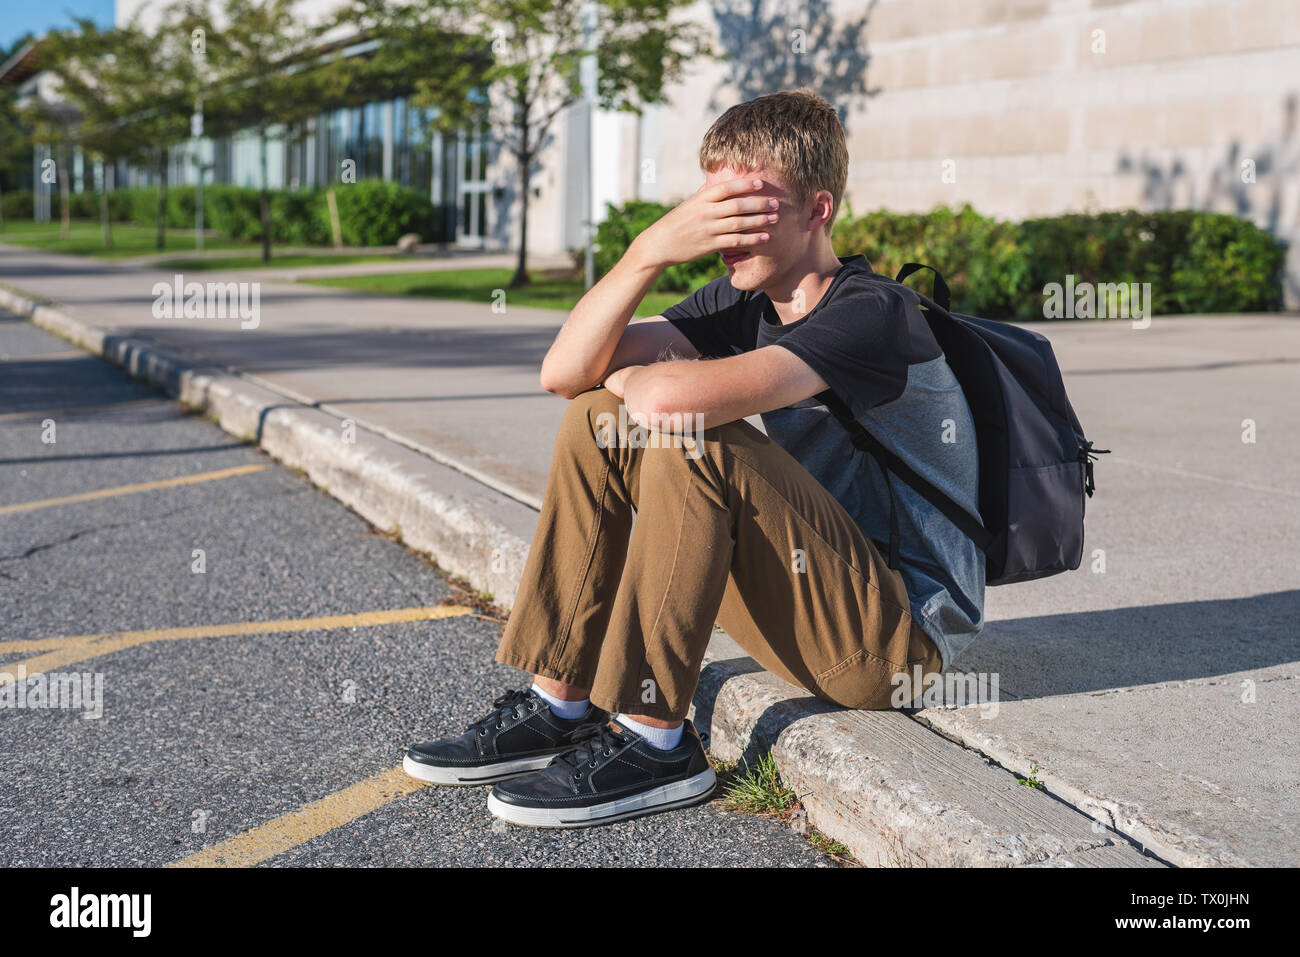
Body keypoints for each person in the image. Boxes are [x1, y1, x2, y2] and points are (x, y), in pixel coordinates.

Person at [404, 88, 985, 829]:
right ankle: (560, 703)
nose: (723, 227)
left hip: (896, 644)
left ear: (819, 209)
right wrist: (649, 248)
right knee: (595, 418)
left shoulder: (870, 312)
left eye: (749, 204)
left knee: (693, 437)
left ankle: (655, 742)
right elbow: (565, 372)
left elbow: (665, 408)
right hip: (813, 602)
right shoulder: (741, 303)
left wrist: (643, 384)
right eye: (714, 204)